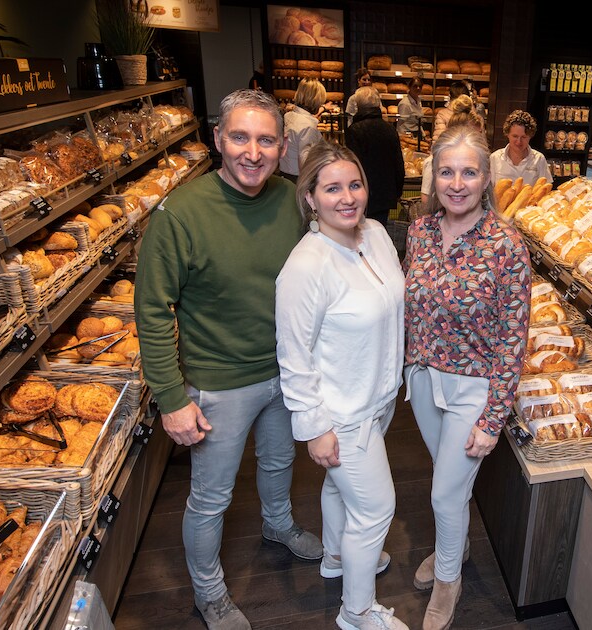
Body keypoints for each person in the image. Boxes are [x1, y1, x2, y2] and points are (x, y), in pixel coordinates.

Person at [135, 89, 324, 630]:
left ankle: (278, 526)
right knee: (211, 498)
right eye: (240, 137)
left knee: (279, 462)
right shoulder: (180, 214)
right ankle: (209, 592)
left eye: (266, 139)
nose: (253, 151)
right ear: (217, 138)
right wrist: (172, 399)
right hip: (218, 383)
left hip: (283, 373)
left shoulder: (292, 200)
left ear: (284, 146)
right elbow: (152, 310)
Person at [403, 125, 531, 630]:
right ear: (434, 176)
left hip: (473, 388)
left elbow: (512, 340)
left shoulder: (506, 246)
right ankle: (450, 546)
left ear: (486, 178)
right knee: (448, 485)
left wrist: (492, 418)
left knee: (442, 492)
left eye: (469, 172)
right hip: (422, 381)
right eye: (447, 171)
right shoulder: (420, 231)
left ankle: (449, 580)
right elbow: (410, 301)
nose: (457, 183)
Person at [276, 141, 407, 630]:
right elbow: (293, 355)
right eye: (332, 188)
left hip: (378, 398)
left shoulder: (372, 234)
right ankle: (356, 612)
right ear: (310, 197)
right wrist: (315, 428)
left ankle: (336, 556)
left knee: (339, 488)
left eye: (355, 185)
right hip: (342, 412)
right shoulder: (306, 267)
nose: (347, 197)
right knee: (376, 510)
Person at [345, 87, 405, 225]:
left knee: (360, 233)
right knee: (379, 232)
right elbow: (398, 164)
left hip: (362, 193)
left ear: (358, 106)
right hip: (385, 194)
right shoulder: (390, 129)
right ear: (378, 104)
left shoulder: (354, 130)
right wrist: (397, 191)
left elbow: (353, 166)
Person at [420, 111, 482, 198]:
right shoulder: (434, 161)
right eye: (446, 173)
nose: (457, 186)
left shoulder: (480, 161)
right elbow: (425, 197)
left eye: (470, 173)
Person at [490, 110, 553, 186]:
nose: (519, 142)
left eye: (523, 137)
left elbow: (545, 190)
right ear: (507, 134)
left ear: (530, 136)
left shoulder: (539, 159)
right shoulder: (494, 158)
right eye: (515, 136)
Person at [281, 79, 326, 180]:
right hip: (298, 178)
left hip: (284, 172)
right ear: (315, 100)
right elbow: (305, 161)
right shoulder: (307, 126)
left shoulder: (288, 116)